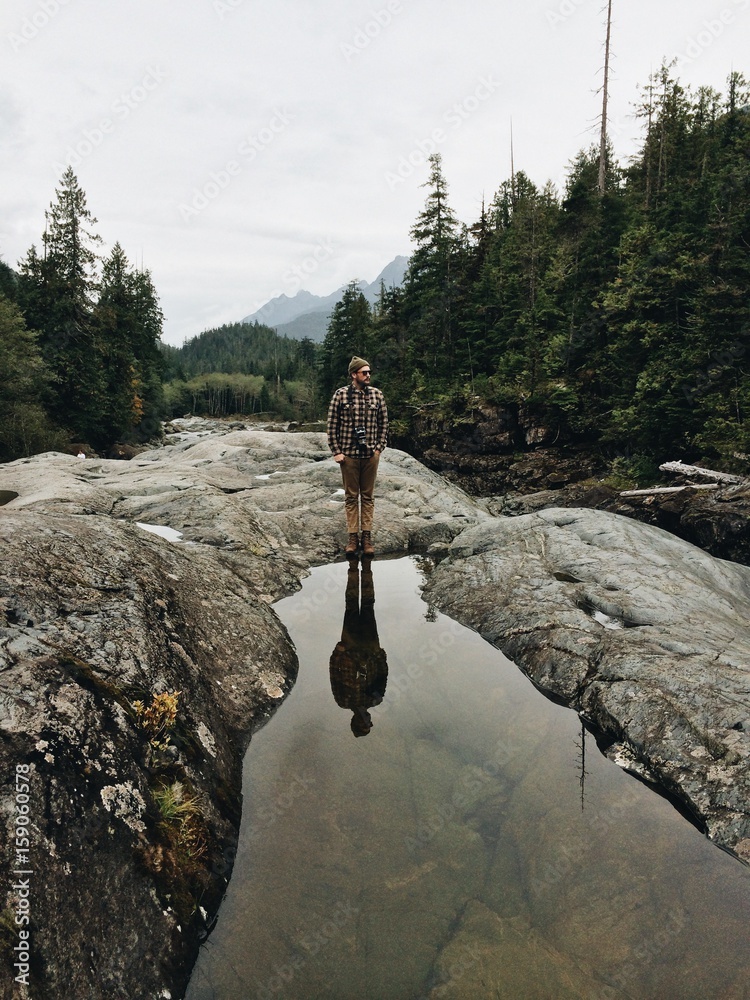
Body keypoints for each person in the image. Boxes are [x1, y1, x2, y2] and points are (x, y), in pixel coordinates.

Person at [326, 356, 389, 556]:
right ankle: (353, 538)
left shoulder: (377, 395)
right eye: (364, 372)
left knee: (368, 497)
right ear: (354, 375)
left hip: (371, 454)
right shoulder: (341, 395)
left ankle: (367, 538)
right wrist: (336, 451)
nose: (368, 375)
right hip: (349, 455)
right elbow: (331, 425)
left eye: (369, 372)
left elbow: (384, 425)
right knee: (351, 497)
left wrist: (379, 449)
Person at [329, 558, 388, 737]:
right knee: (368, 606)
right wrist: (378, 654)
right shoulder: (376, 699)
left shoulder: (343, 701)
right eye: (369, 724)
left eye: (363, 724)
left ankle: (353, 568)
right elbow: (383, 674)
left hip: (349, 647)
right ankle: (367, 568)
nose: (367, 721)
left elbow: (333, 674)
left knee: (351, 607)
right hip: (370, 648)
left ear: (354, 722)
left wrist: (337, 653)